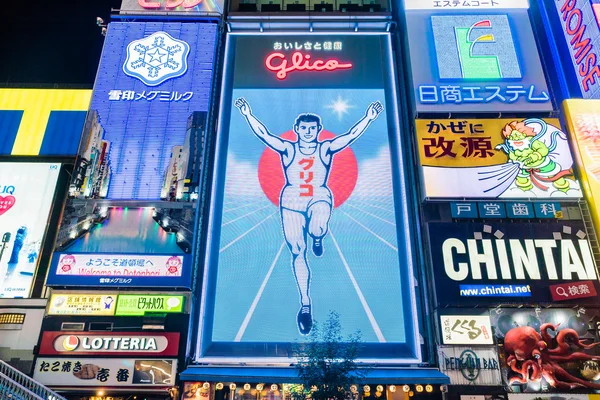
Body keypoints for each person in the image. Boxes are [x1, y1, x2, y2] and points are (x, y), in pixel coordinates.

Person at [235, 97, 383, 335]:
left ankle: (317, 236)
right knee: (296, 250)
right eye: (303, 128)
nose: (307, 132)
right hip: (292, 200)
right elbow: (264, 134)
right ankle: (305, 304)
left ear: (318, 130)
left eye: (312, 128)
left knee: (317, 227)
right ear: (297, 130)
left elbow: (350, 136)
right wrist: (247, 114)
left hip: (319, 196)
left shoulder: (325, 148)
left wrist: (368, 118)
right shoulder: (288, 148)